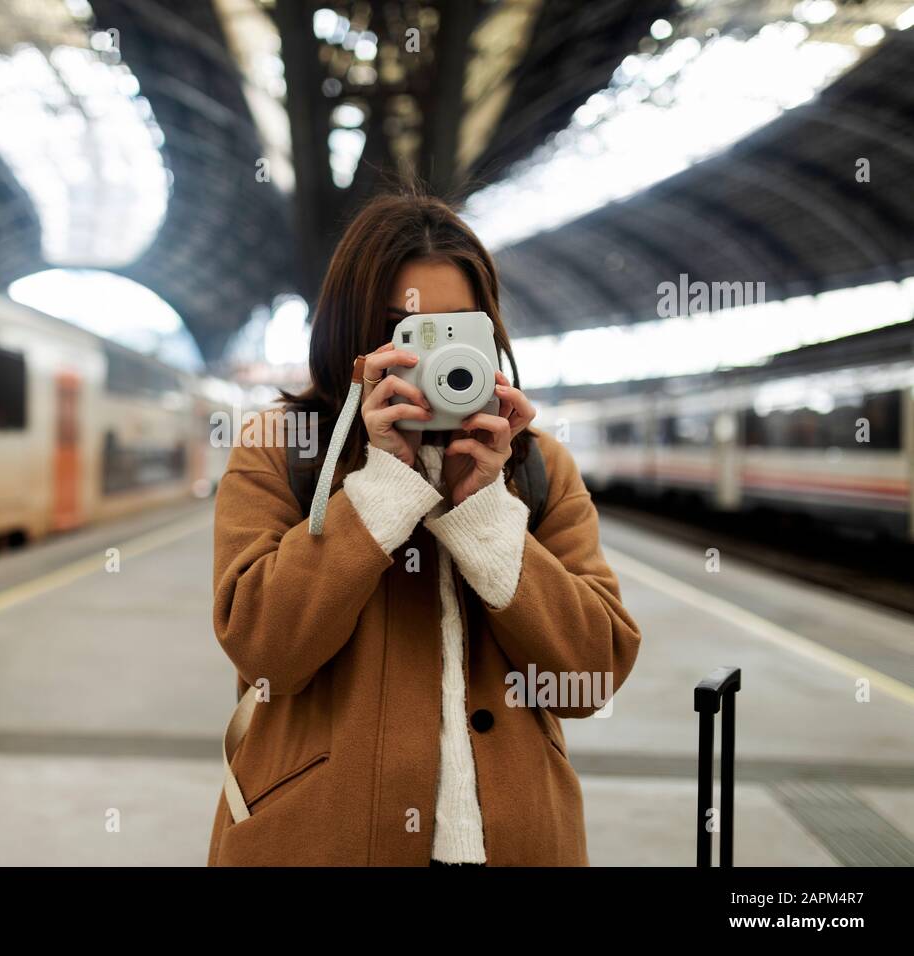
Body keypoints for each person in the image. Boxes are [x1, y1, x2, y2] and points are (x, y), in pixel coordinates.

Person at [207, 190, 642, 866]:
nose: (434, 361)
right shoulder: (282, 449)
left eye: (457, 332)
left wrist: (487, 511)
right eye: (405, 331)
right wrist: (380, 490)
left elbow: (591, 674)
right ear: (353, 335)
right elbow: (267, 652)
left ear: (490, 335)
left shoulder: (536, 466)